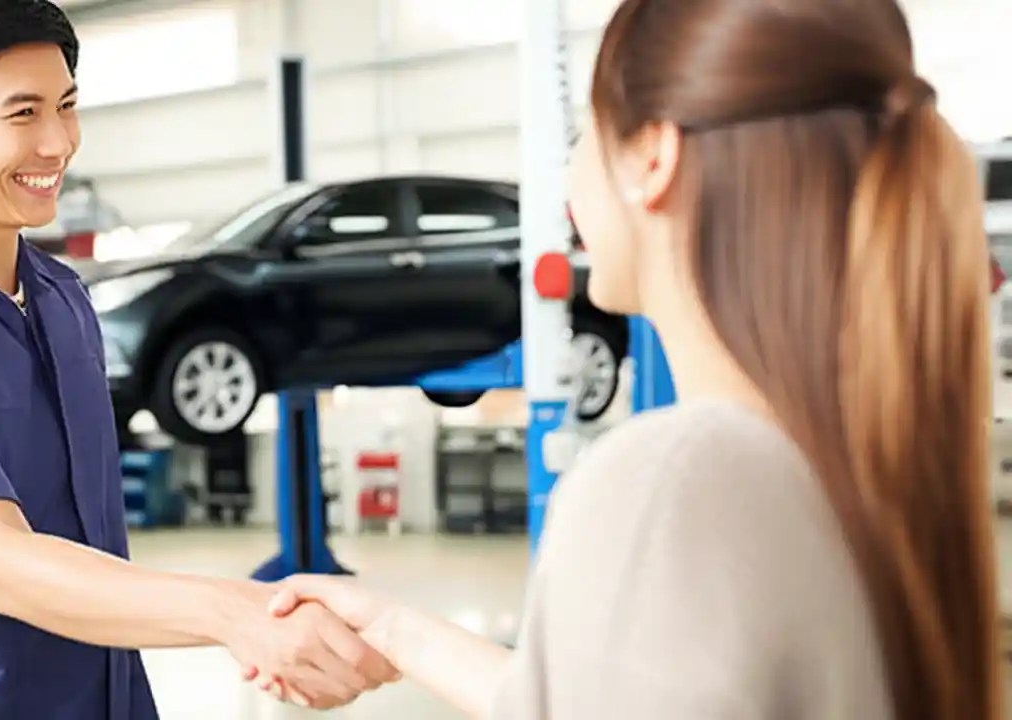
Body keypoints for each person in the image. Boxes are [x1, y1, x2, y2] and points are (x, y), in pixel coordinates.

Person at [257, 0, 1003, 718]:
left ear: (654, 156)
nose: (571, 168)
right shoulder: (855, 457)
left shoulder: (676, 477)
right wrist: (398, 631)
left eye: (590, 129)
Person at [0, 1, 395, 718]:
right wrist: (236, 614)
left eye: (68, 106)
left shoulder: (62, 298)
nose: (58, 143)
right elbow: (4, 564)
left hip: (107, 695)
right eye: (23, 115)